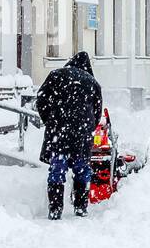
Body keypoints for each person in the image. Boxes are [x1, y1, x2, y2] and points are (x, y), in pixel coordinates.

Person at [35, 51, 103, 220]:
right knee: (81, 169)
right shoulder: (92, 82)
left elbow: (41, 98)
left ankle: (55, 209)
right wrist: (88, 128)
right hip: (81, 135)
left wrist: (50, 120)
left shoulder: (56, 75)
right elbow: (97, 110)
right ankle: (80, 207)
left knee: (57, 169)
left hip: (59, 132)